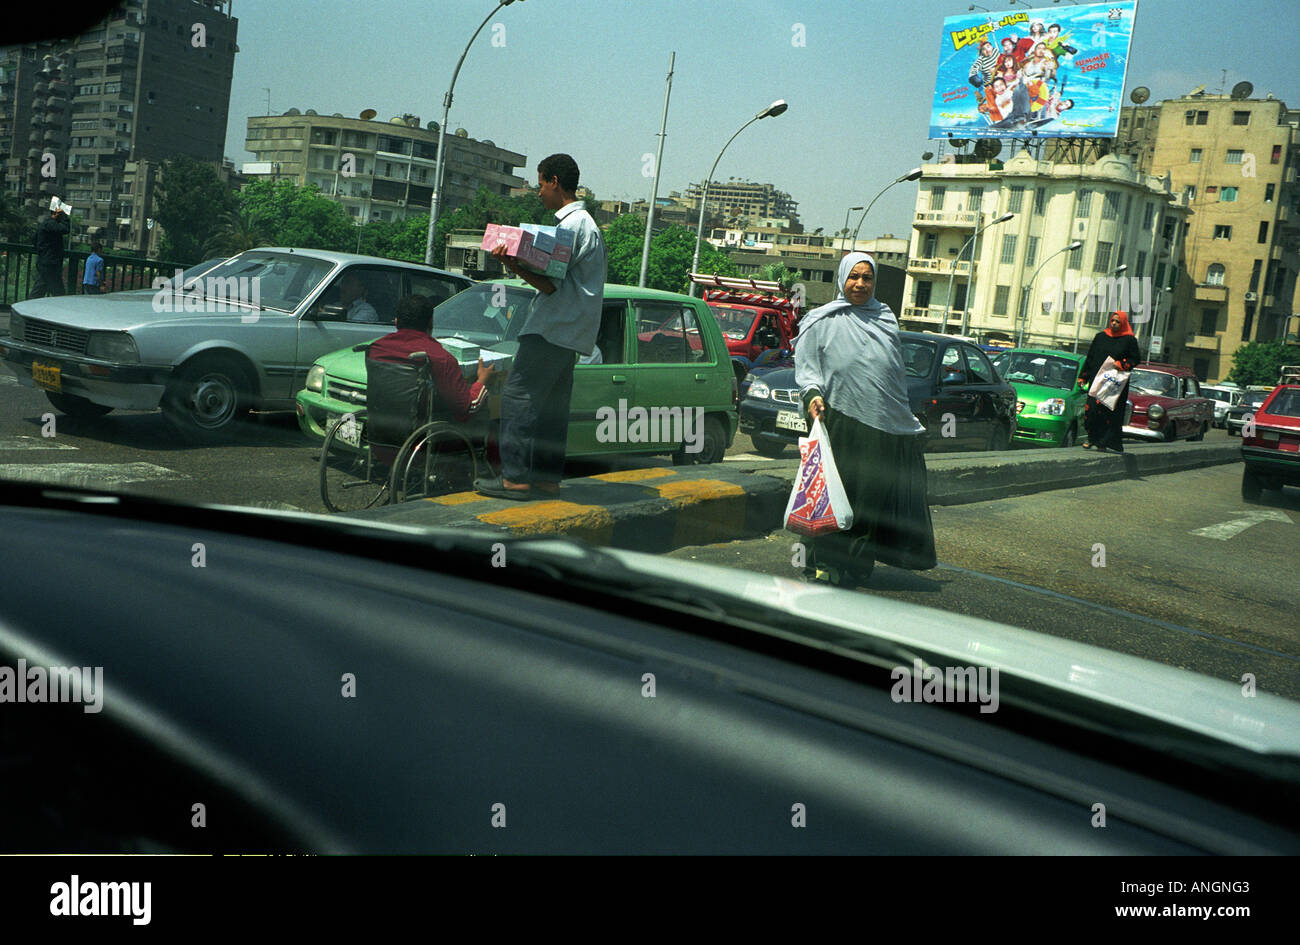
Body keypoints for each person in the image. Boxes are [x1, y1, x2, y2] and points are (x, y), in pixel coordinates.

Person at [793, 252, 937, 587]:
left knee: (869, 501)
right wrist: (813, 395)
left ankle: (857, 564)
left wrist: (904, 420)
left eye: (867, 278)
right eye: (853, 277)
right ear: (842, 278)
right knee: (833, 495)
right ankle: (824, 562)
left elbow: (891, 376)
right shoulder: (820, 320)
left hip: (882, 427)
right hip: (839, 421)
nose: (860, 284)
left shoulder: (885, 318)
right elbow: (807, 369)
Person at [476, 153, 607, 501]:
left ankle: (514, 479)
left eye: (540, 184)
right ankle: (547, 480)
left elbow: (549, 285)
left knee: (519, 399)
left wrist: (510, 263)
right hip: (570, 335)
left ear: (554, 182)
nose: (538, 193)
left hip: (550, 330)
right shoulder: (587, 225)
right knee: (552, 411)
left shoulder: (571, 226)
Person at [366, 294, 495, 462]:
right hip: (420, 447)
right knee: (489, 417)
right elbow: (465, 409)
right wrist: (482, 381)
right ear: (431, 323)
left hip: (377, 440)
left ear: (396, 321)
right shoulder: (439, 357)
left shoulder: (376, 348)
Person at [1079, 310, 1142, 453]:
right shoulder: (1100, 337)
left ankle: (1103, 442)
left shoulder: (1129, 340)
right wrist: (1083, 376)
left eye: (1117, 321)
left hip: (1115, 385)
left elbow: (1136, 359)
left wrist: (1122, 364)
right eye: (1112, 320)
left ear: (1123, 323)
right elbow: (1091, 357)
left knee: (1108, 413)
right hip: (1097, 381)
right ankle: (1091, 438)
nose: (1114, 323)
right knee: (1092, 410)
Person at [30, 199, 70, 298]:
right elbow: (65, 229)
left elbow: (33, 238)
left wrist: (43, 251)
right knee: (58, 292)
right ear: (57, 212)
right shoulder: (51, 224)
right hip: (50, 263)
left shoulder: (45, 223)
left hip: (45, 261)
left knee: (40, 289)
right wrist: (65, 217)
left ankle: (27, 308)